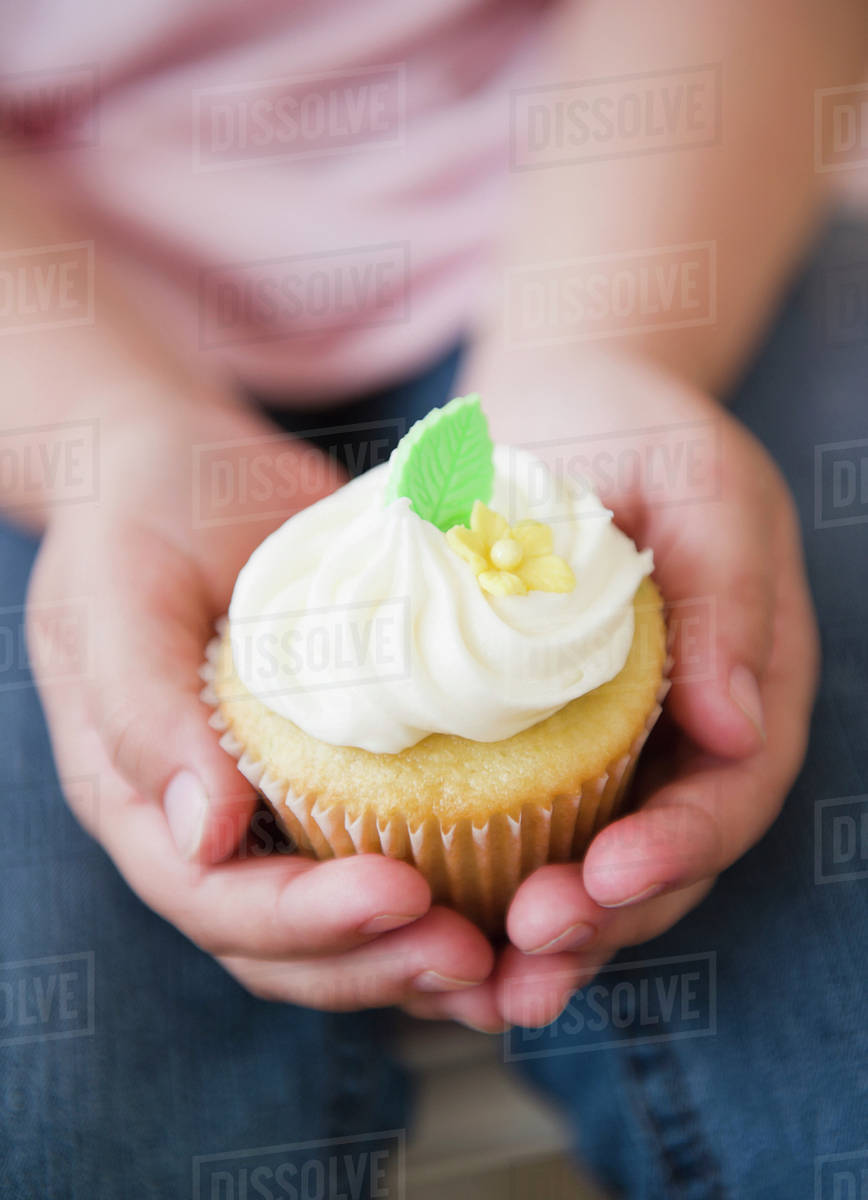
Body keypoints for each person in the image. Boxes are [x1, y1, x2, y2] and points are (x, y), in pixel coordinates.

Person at [1, 1, 866, 1195]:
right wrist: (101, 437)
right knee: (57, 1103)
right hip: (47, 348)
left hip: (642, 211)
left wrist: (609, 352)